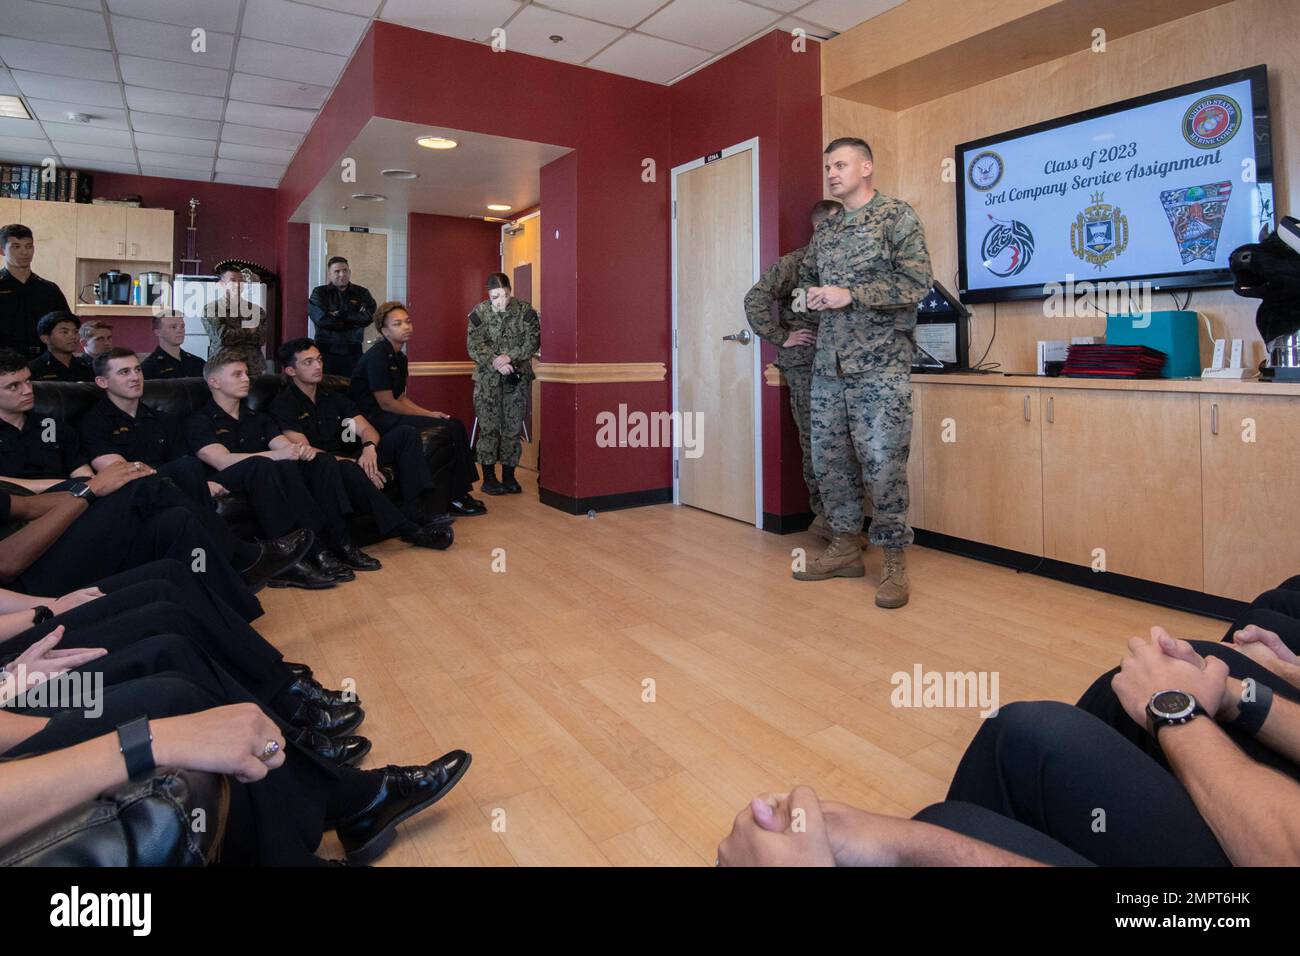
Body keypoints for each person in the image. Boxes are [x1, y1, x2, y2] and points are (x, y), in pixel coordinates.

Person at [793, 138, 933, 609]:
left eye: (841, 164)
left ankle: (893, 559)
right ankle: (845, 546)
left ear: (866, 166)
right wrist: (812, 296)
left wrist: (851, 293)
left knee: (882, 463)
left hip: (879, 365)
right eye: (828, 165)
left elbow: (917, 282)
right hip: (829, 364)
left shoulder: (896, 216)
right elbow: (809, 279)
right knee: (829, 461)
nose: (832, 173)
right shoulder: (827, 231)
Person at [186, 349, 374, 586]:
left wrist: (300, 451)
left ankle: (335, 544)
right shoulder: (199, 420)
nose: (246, 379)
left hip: (267, 474)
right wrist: (278, 454)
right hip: (226, 478)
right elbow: (221, 460)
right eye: (237, 375)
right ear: (214, 382)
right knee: (265, 464)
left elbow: (283, 446)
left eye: (246, 374)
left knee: (321, 462)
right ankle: (295, 559)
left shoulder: (258, 418)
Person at [272, 338, 454, 552]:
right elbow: (306, 451)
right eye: (308, 362)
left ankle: (415, 509)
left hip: (352, 454)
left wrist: (369, 448)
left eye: (319, 360)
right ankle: (410, 530)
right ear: (291, 371)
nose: (318, 366)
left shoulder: (332, 396)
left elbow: (367, 430)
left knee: (406, 434)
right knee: (345, 467)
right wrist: (354, 463)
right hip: (322, 464)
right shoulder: (283, 404)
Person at [744, 200, 844, 535]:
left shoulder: (845, 263)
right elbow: (755, 298)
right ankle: (825, 520)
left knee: (843, 442)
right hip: (805, 366)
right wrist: (780, 336)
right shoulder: (795, 263)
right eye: (836, 222)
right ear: (819, 227)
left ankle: (845, 521)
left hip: (842, 364)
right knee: (815, 439)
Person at [350, 301, 485, 517]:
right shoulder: (377, 356)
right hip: (374, 419)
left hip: (390, 412)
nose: (406, 326)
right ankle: (454, 497)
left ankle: (460, 492)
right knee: (447, 429)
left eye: (408, 321)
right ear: (384, 330)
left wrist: (431, 414)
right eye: (398, 324)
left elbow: (400, 398)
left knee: (453, 424)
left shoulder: (400, 357)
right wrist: (428, 416)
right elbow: (387, 403)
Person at [467, 273, 539, 495]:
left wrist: (510, 357)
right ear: (488, 295)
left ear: (510, 291)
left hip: (516, 379)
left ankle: (509, 476)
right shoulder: (479, 313)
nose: (500, 301)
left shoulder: (525, 311)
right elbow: (474, 345)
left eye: (505, 295)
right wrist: (496, 362)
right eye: (495, 296)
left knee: (512, 427)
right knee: (488, 427)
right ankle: (489, 477)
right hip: (488, 380)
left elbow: (533, 341)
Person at [0, 224, 70, 360]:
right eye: (16, 247)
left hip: (43, 362)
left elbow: (66, 326)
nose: (25, 252)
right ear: (2, 250)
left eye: (29, 246)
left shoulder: (49, 289)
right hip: (4, 364)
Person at [309, 256, 376, 378]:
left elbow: (369, 317)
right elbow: (322, 320)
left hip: (353, 351)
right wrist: (354, 320)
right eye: (337, 271)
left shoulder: (362, 293)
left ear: (349, 272)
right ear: (329, 274)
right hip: (326, 352)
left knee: (353, 389)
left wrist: (340, 314)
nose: (342, 274)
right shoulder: (319, 293)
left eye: (345, 270)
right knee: (326, 390)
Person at [202, 264, 267, 375]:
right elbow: (223, 338)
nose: (237, 285)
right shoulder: (212, 309)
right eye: (232, 280)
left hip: (253, 367)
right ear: (222, 284)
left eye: (241, 280)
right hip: (225, 367)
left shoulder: (256, 310)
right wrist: (249, 330)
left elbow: (261, 339)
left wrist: (235, 332)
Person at [25, 311, 93, 383]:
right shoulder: (32, 369)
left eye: (75, 332)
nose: (73, 336)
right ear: (46, 338)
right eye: (64, 332)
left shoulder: (86, 367)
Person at [139, 311, 206, 379]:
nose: (180, 330)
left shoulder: (197, 363)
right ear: (158, 332)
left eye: (182, 326)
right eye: (173, 327)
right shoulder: (149, 368)